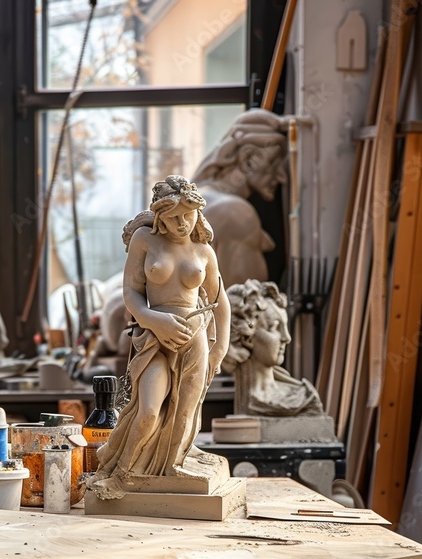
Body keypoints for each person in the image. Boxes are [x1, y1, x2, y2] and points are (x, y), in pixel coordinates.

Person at [89, 176, 230, 498]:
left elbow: (220, 301)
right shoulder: (145, 239)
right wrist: (153, 319)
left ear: (198, 212)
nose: (182, 224)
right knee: (149, 410)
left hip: (194, 340)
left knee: (185, 411)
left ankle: (173, 466)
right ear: (160, 219)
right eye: (173, 218)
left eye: (188, 215)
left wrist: (220, 347)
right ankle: (120, 472)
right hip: (153, 338)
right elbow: (131, 292)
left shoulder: (204, 251)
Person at [191, 109, 288, 286]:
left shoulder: (199, 197)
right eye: (275, 162)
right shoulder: (235, 213)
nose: (282, 176)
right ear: (248, 159)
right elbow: (248, 306)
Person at [223, 279, 323, 416]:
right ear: (247, 338)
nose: (287, 338)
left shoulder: (302, 398)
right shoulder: (248, 401)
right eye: (275, 328)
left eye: (285, 328)